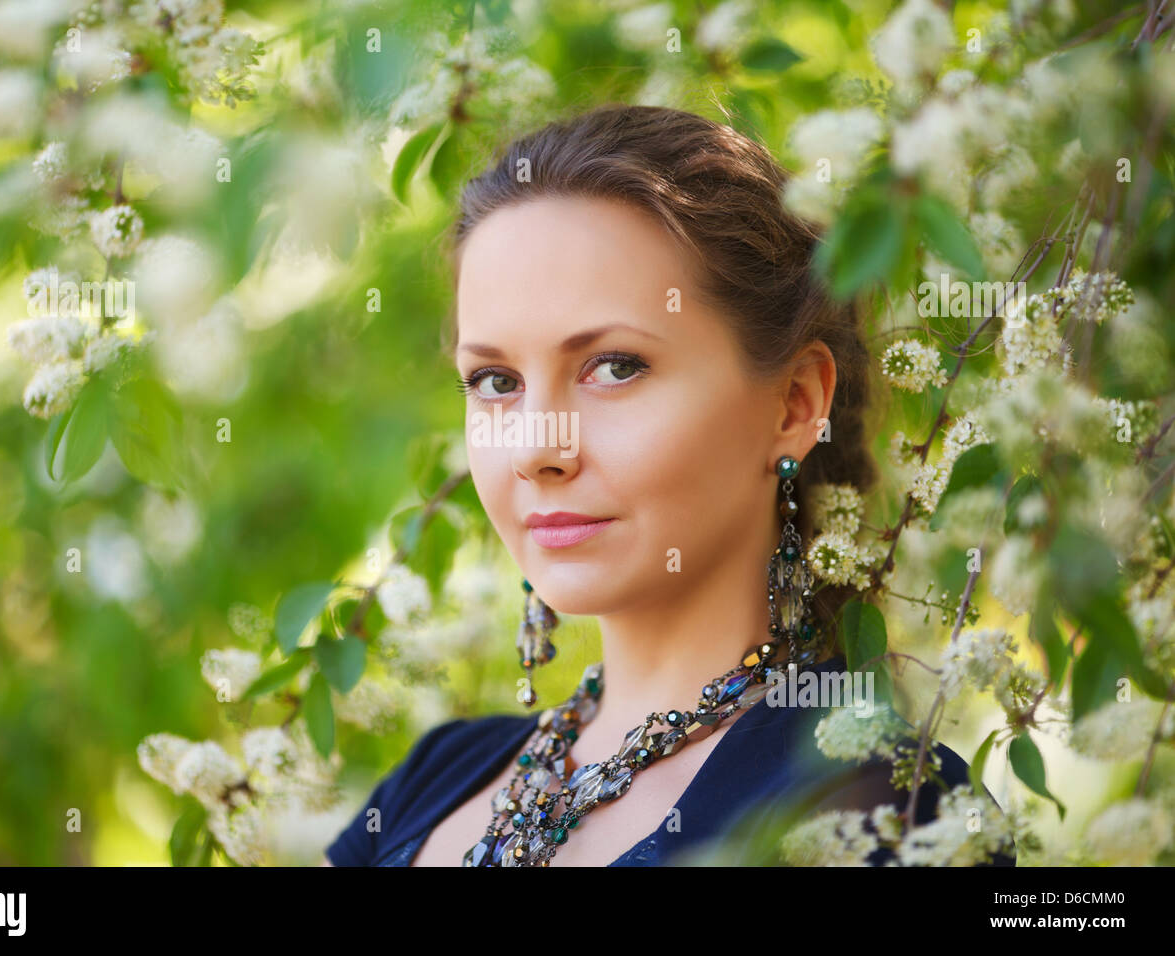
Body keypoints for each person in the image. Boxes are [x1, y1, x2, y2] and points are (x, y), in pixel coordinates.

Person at [323, 104, 1016, 867]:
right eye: (495, 380)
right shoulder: (433, 781)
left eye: (615, 367)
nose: (536, 449)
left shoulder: (886, 810)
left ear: (794, 405)